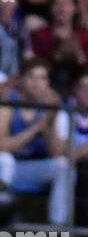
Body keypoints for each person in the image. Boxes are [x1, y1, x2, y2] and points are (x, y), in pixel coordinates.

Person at [0, 58, 72, 226]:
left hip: (29, 170)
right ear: (22, 80)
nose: (37, 83)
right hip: (5, 168)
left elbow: (56, 152)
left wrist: (50, 121)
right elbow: (1, 146)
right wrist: (36, 128)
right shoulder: (8, 103)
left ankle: (58, 227)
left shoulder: (53, 107)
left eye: (42, 78)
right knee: (5, 160)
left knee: (64, 166)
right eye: (32, 77)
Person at [29, 0, 88, 97]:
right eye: (57, 3)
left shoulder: (86, 38)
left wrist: (80, 59)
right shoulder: (39, 35)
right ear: (50, 8)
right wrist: (56, 56)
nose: (62, 8)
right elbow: (34, 66)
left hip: (79, 92)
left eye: (67, 4)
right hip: (47, 89)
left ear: (75, 8)